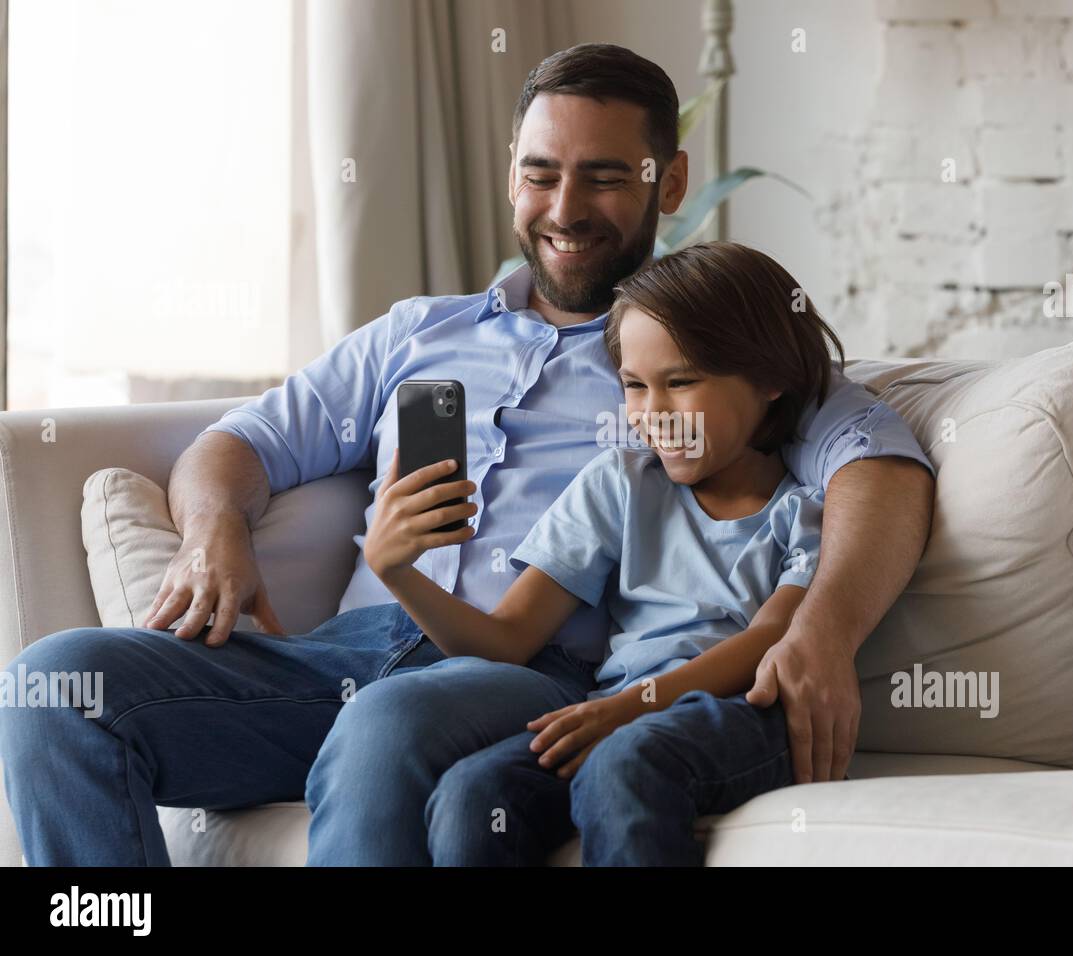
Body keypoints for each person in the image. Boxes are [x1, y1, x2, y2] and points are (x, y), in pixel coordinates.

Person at [0, 43, 934, 867]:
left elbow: (875, 463)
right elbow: (238, 443)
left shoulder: (689, 351)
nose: (565, 208)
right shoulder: (417, 332)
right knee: (52, 686)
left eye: (605, 176)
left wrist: (824, 629)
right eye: (540, 173)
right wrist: (213, 531)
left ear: (670, 180)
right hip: (347, 655)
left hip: (529, 671)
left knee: (389, 721)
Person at [370, 241, 846, 865]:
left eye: (681, 383)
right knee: (475, 791)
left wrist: (633, 707)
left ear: (771, 377)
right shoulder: (620, 481)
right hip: (616, 712)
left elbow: (772, 639)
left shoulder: (808, 512)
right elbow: (507, 642)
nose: (653, 415)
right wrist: (396, 571)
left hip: (748, 718)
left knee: (627, 760)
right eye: (634, 386)